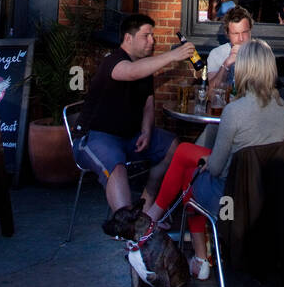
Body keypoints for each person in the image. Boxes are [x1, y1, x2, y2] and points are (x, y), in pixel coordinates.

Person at [145, 39, 284, 280]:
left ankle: (198, 255)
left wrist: (201, 163)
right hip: (263, 195)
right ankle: (158, 222)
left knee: (188, 174)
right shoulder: (281, 107)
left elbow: (218, 168)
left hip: (229, 196)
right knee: (185, 155)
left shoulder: (235, 110)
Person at [77, 13, 195, 213]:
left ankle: (146, 207)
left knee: (172, 145)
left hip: (130, 137)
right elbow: (130, 71)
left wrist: (147, 131)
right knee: (116, 165)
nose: (152, 41)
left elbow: (148, 103)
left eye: (152, 36)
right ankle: (128, 227)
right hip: (95, 137)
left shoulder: (145, 66)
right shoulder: (113, 61)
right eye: (146, 36)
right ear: (128, 38)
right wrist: (174, 55)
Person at [206, 6, 253, 100]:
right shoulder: (217, 54)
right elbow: (211, 95)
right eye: (235, 33)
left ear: (250, 31)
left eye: (244, 32)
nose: (241, 39)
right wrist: (226, 64)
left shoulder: (260, 53)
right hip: (223, 110)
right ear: (227, 34)